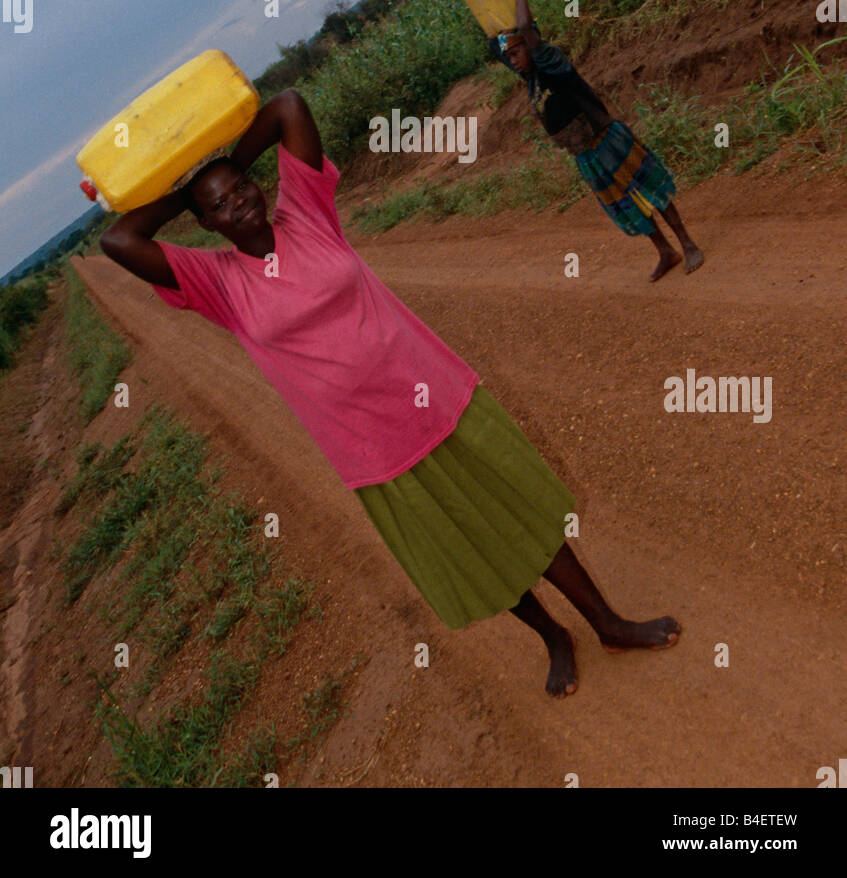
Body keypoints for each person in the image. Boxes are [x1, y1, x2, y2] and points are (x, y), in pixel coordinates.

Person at [99, 87, 680, 696]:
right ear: (207, 224)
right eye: (219, 205)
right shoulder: (215, 281)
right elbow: (119, 242)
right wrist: (182, 190)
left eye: (241, 188)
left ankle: (606, 623)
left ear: (257, 184)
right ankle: (552, 636)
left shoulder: (307, 217)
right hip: (371, 448)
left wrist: (223, 166)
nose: (238, 204)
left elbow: (290, 107)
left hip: (437, 396)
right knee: (470, 547)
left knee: (525, 521)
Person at [489, 0, 704, 282]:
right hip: (585, 155)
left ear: (531, 45)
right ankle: (665, 252)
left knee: (649, 189)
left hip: (607, 139)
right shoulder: (530, 78)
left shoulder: (549, 62)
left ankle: (687, 243)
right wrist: (487, 8)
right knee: (626, 205)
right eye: (510, 58)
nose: (513, 60)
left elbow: (524, 27)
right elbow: (497, 45)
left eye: (517, 53)